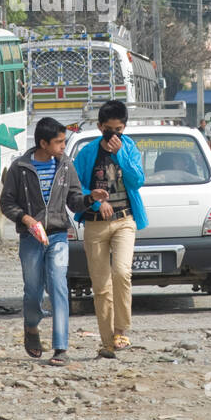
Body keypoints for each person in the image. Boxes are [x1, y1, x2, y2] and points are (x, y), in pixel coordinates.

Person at [0, 116, 87, 366]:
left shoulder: (66, 166)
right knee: (33, 290)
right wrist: (27, 220)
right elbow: (7, 203)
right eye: (59, 142)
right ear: (43, 143)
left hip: (58, 235)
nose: (63, 146)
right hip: (30, 238)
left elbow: (74, 199)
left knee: (59, 286)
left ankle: (61, 347)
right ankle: (31, 327)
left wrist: (91, 201)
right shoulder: (20, 167)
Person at [73, 100, 146, 359]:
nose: (114, 135)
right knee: (101, 286)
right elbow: (76, 188)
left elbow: (138, 180)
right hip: (94, 224)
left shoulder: (129, 148)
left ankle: (121, 329)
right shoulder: (86, 153)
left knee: (122, 272)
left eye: (120, 130)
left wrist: (120, 155)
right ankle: (106, 343)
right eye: (109, 130)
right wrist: (96, 199)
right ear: (100, 126)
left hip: (124, 220)